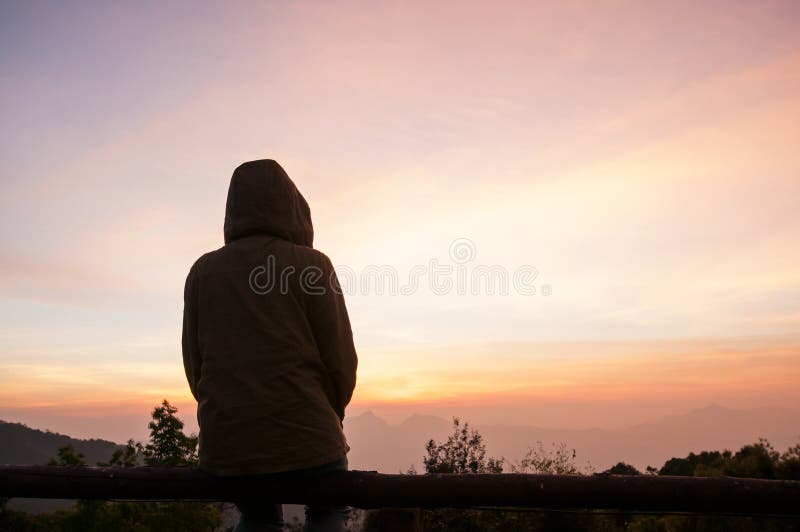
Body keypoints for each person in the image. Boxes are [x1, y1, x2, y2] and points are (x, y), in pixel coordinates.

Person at [182, 159, 358, 531]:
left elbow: (194, 366)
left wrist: (230, 413)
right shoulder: (312, 265)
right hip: (309, 438)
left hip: (228, 446)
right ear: (294, 207)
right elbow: (341, 361)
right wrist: (330, 413)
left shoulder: (202, 272)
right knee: (328, 510)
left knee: (257, 515)